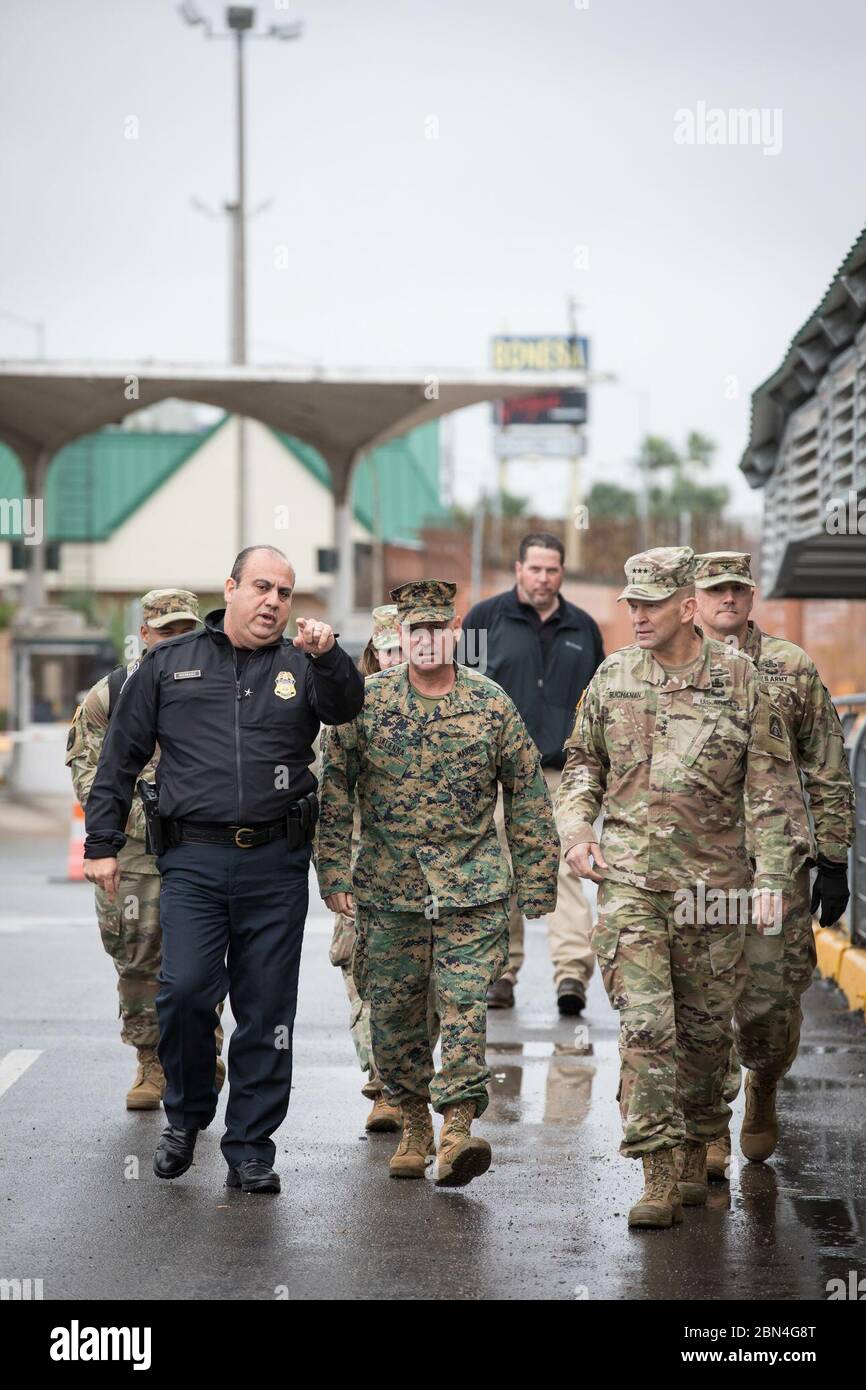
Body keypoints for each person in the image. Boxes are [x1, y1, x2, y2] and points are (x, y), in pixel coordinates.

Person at [82, 546, 365, 1195]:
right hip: (194, 860)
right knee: (184, 992)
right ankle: (185, 1115)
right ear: (231, 588)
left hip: (276, 861)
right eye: (262, 587)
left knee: (267, 1011)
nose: (273, 601)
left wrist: (330, 656)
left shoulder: (302, 663)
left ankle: (251, 1148)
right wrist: (101, 843)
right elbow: (118, 762)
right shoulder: (167, 665)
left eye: (286, 592)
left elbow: (346, 706)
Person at [555, 547, 807, 1230]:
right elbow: (582, 765)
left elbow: (772, 788)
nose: (636, 615)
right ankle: (657, 1169)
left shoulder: (742, 682)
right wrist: (576, 829)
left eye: (651, 604)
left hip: (716, 890)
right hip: (631, 883)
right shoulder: (612, 678)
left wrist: (777, 878)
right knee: (645, 1027)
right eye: (630, 603)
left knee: (702, 1036)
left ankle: (700, 1140)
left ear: (687, 608)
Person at [317, 579, 559, 1187]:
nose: (426, 642)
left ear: (455, 634)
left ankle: (457, 1128)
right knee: (394, 1015)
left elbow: (527, 789)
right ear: (399, 637)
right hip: (387, 889)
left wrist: (536, 879)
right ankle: (414, 1123)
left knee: (464, 1005)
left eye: (436, 630)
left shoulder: (489, 703)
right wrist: (332, 872)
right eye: (414, 631)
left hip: (471, 890)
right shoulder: (364, 702)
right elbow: (333, 788)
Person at [693, 552, 854, 1178]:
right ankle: (708, 1124)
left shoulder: (790, 667)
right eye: (715, 590)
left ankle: (762, 1082)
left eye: (737, 588)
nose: (727, 599)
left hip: (776, 866)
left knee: (769, 1005)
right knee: (701, 999)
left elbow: (828, 769)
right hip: (697, 862)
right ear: (693, 599)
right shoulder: (668, 668)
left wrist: (835, 857)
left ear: (752, 594)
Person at [66, 588, 226, 1110]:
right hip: (134, 852)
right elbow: (90, 775)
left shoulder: (218, 686)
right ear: (145, 636)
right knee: (137, 959)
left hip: (198, 845)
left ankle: (202, 1051)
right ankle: (150, 1062)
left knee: (197, 963)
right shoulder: (109, 695)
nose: (175, 641)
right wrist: (140, 821)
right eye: (165, 632)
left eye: (186, 630)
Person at [461, 532, 604, 1015]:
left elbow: (597, 704)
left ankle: (570, 976)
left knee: (568, 869)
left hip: (565, 776)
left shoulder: (583, 628)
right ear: (518, 569)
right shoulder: (485, 619)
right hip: (499, 776)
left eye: (553, 569)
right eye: (535, 568)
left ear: (562, 572)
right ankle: (501, 972)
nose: (544, 578)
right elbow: (462, 693)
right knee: (500, 873)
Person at [323, 603, 439, 1134]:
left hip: (430, 876)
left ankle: (405, 1078)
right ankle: (384, 1086)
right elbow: (328, 790)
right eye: (389, 648)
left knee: (426, 984)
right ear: (376, 652)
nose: (398, 657)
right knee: (363, 976)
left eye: (404, 646)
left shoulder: (451, 698)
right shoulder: (350, 704)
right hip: (362, 867)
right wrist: (332, 871)